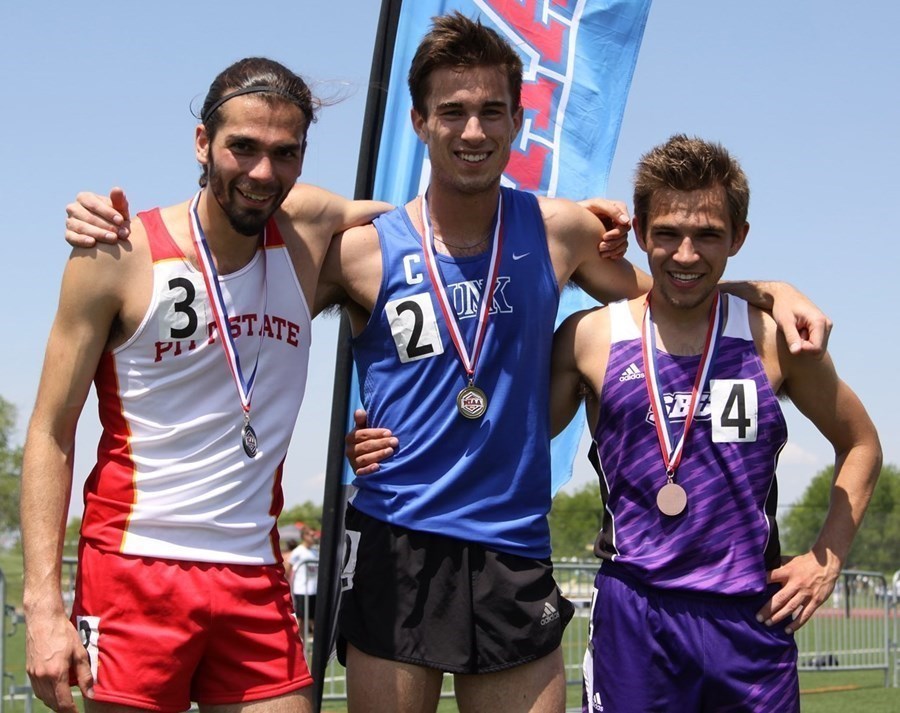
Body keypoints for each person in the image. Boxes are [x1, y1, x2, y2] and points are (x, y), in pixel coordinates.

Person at [65, 15, 830, 713]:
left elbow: (673, 293)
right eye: (453, 111)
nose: (473, 130)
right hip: (397, 537)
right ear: (419, 121)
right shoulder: (360, 251)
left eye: (492, 111)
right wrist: (117, 235)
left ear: (518, 121)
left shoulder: (559, 230)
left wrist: (767, 290)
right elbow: (232, 254)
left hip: (512, 545)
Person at [22, 57, 390, 713]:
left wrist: (547, 218)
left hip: (256, 571)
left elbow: (426, 223)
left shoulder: (306, 227)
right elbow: (51, 430)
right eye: (242, 147)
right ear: (202, 142)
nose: (262, 173)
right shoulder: (118, 254)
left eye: (284, 153)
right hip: (134, 571)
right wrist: (44, 605)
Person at [548, 135, 882, 712]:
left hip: (750, 620)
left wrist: (826, 558)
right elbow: (518, 439)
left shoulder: (774, 338)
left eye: (707, 235)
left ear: (738, 237)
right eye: (667, 234)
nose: (685, 255)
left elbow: (861, 444)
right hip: (635, 616)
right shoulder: (590, 338)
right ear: (641, 232)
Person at [289, 524, 319, 638]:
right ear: (304, 536)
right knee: (301, 617)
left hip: (314, 590)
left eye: (314, 534)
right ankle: (299, 640)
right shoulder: (297, 551)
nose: (314, 537)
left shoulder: (315, 551)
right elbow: (288, 568)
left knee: (314, 617)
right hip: (301, 590)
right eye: (311, 535)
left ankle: (315, 643)